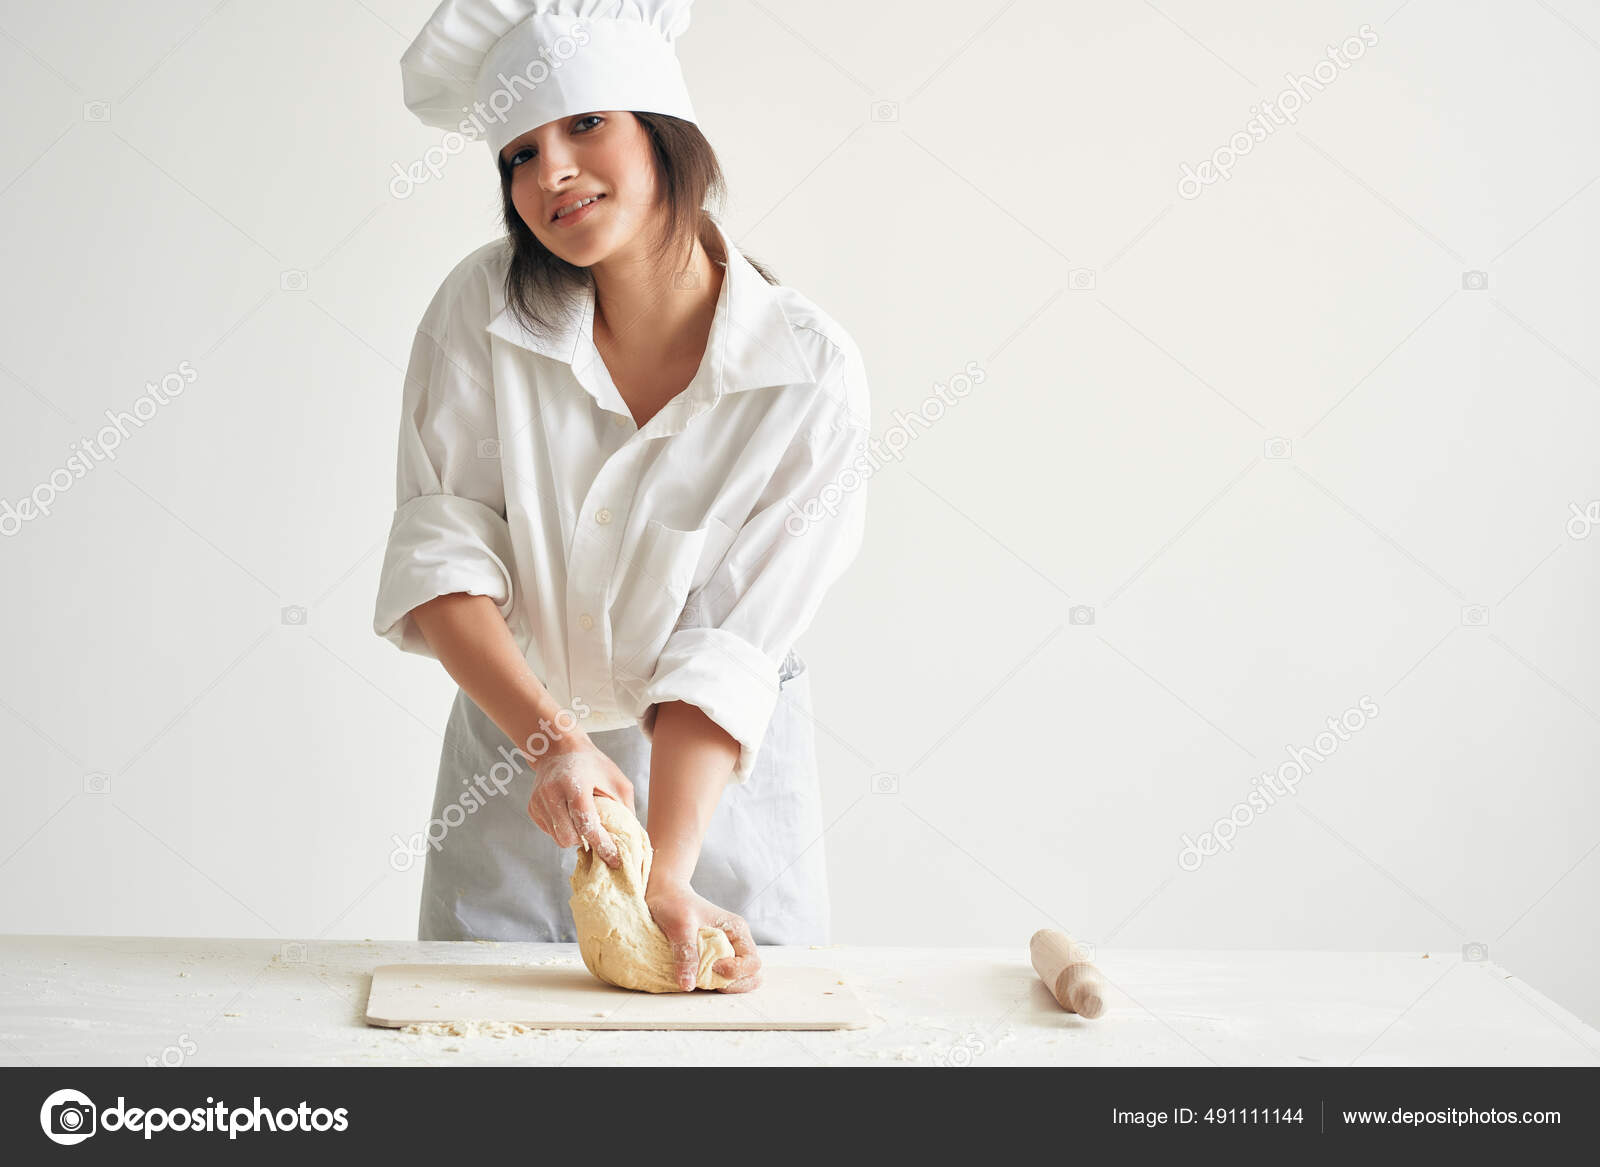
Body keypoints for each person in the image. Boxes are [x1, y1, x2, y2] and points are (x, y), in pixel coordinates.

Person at [373, 0, 871, 993]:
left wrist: (667, 873)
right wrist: (553, 743)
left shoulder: (806, 374)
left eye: (584, 124)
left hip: (717, 800)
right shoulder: (478, 312)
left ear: (666, 134)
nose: (548, 170)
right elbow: (442, 561)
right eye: (517, 153)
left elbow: (728, 650)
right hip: (518, 768)